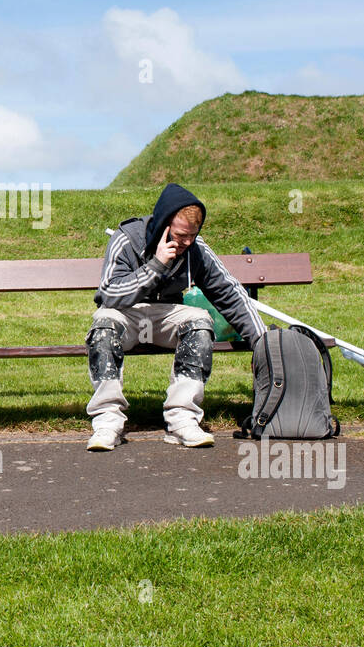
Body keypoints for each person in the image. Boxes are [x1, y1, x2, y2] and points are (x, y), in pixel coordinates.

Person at [85, 182, 268, 451]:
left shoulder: (196, 249)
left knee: (200, 321)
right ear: (163, 224)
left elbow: (230, 294)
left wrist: (264, 343)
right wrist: (156, 265)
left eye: (192, 235)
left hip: (165, 316)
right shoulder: (126, 238)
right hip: (126, 312)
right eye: (181, 235)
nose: (187, 243)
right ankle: (107, 422)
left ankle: (182, 419)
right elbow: (109, 294)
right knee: (103, 324)